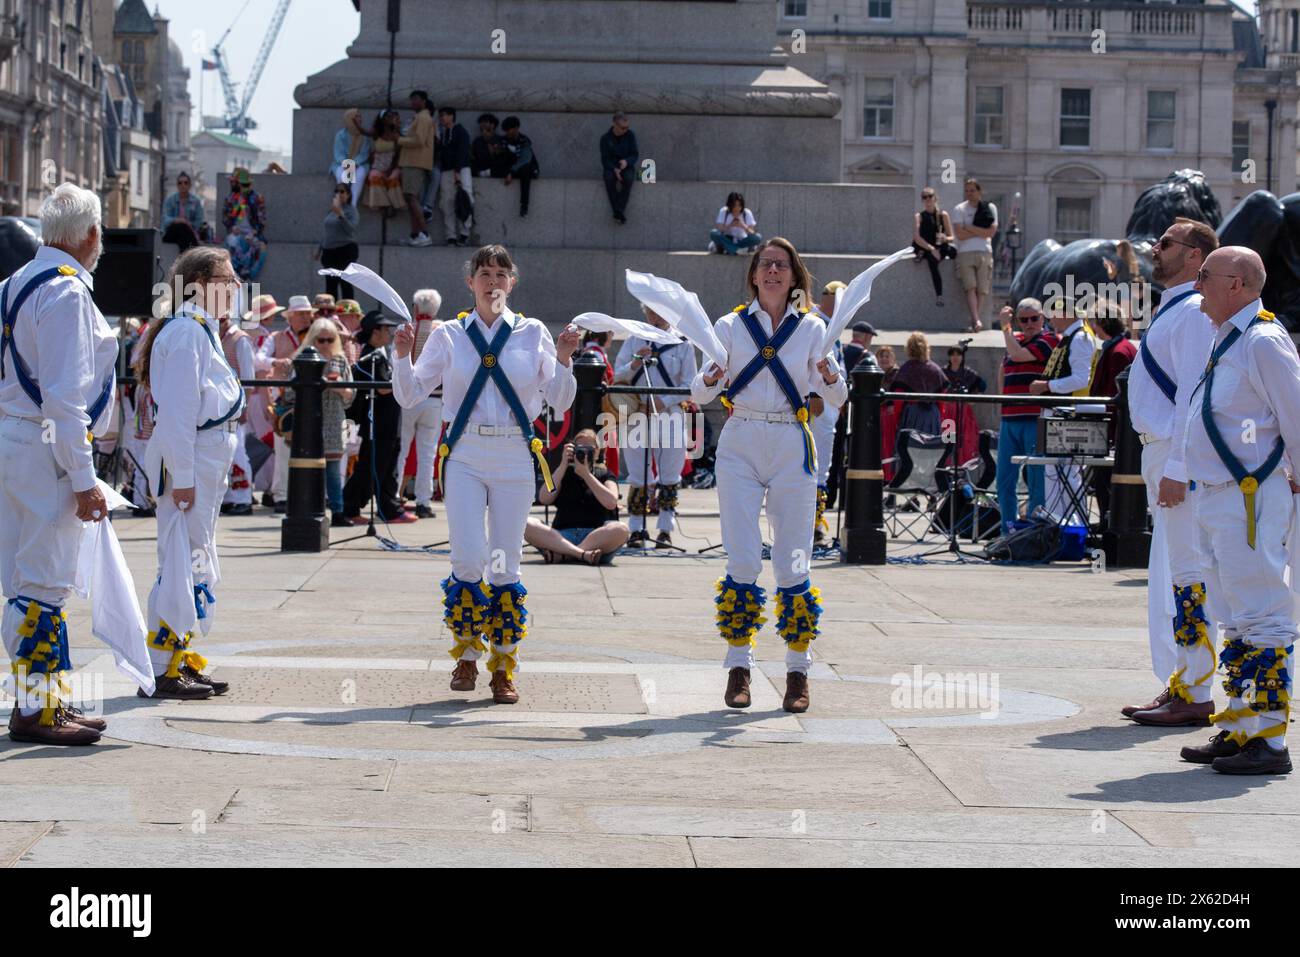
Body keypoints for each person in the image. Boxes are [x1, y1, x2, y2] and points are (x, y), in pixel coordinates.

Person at [392, 244, 581, 705]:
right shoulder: (448, 334)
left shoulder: (532, 331)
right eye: (484, 273)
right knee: (468, 559)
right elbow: (411, 394)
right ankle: (466, 656)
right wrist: (400, 355)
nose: (492, 282)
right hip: (466, 452)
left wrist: (562, 356)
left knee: (504, 563)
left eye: (501, 274)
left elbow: (562, 399)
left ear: (512, 282)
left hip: (517, 451)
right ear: (470, 281)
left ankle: (503, 664)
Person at [692, 237, 846, 714]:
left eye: (782, 265)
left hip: (790, 442)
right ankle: (739, 665)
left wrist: (829, 375)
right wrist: (713, 377)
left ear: (794, 276)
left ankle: (798, 671)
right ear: (754, 275)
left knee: (793, 560)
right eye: (765, 265)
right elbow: (698, 394)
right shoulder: (729, 325)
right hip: (740, 439)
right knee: (741, 557)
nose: (774, 272)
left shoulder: (813, 328)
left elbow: (837, 399)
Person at [0, 183, 117, 744]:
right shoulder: (68, 294)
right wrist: (85, 478)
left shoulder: (11, 284)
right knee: (44, 583)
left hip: (13, 440)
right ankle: (37, 711)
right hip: (46, 447)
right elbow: (65, 401)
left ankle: (40, 704)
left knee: (25, 580)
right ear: (90, 235)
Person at [1176, 246, 1299, 775]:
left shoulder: (1265, 341)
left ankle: (1269, 741)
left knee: (1263, 614)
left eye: (1205, 275)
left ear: (1238, 284)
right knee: (1235, 616)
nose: (1197, 284)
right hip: (1218, 497)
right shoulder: (1229, 339)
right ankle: (1241, 725)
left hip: (1249, 498)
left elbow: (1295, 416)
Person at [1123, 218, 1222, 727]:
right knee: (1173, 573)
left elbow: (1191, 395)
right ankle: (1182, 682)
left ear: (1193, 256)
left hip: (1172, 454)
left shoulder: (1190, 314)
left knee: (1185, 574)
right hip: (1160, 450)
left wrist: (1178, 467)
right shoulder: (1177, 309)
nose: (1155, 250)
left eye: (1165, 244)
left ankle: (1194, 689)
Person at [137, 246, 244, 701]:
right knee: (180, 560)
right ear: (201, 283)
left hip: (206, 455)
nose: (237, 286)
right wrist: (182, 476)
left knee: (195, 558)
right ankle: (162, 668)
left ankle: (180, 659)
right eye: (228, 278)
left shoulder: (199, 329)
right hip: (193, 456)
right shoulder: (186, 333)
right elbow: (179, 414)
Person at [614, 307, 697, 549]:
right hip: (636, 413)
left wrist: (665, 400)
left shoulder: (683, 344)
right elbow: (617, 376)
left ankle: (665, 529)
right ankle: (636, 528)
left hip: (669, 414)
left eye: (659, 312)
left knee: (670, 474)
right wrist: (634, 363)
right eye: (650, 312)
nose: (655, 317)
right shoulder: (633, 339)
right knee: (638, 476)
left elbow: (689, 382)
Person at [1030, 297, 1100, 525]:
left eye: (1054, 313)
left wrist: (1047, 386)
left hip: (1069, 414)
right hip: (1060, 413)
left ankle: (1074, 526)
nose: (1050, 318)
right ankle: (1059, 524)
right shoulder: (1069, 338)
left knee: (1067, 474)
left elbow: (1081, 379)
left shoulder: (1079, 338)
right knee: (1055, 474)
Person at [279, 319, 355, 525]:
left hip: (333, 419)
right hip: (307, 420)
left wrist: (337, 386)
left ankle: (337, 511)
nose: (325, 344)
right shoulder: (301, 359)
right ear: (312, 339)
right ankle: (309, 508)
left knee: (332, 470)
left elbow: (351, 396)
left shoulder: (340, 361)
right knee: (305, 467)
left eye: (331, 340)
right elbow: (289, 393)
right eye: (321, 340)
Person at [343, 309, 413, 525]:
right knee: (371, 466)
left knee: (387, 466)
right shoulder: (371, 357)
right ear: (375, 332)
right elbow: (382, 388)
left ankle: (388, 507)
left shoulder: (380, 355)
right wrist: (403, 378)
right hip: (378, 423)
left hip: (389, 421)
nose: (390, 333)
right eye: (385, 329)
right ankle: (351, 506)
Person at [525, 429, 630, 564]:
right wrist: (563, 464)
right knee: (526, 523)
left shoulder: (604, 474)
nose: (584, 453)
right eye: (580, 449)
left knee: (621, 529)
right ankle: (582, 554)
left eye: (589, 449)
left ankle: (565, 555)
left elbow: (611, 502)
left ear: (597, 451)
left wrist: (586, 475)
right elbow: (544, 498)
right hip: (562, 537)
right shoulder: (564, 473)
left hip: (596, 538)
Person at [996, 297, 1056, 531]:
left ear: (1043, 318)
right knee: (1004, 481)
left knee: (1036, 480)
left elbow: (1019, 356)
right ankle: (1008, 531)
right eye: (1024, 319)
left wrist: (1005, 327)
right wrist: (1002, 400)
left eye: (1034, 318)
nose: (1030, 323)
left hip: (1034, 418)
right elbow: (1004, 370)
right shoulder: (1015, 341)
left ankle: (1034, 532)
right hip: (1010, 418)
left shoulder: (1049, 340)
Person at [1087, 301, 1137, 536]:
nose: (1092, 327)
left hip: (1113, 431)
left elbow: (1114, 395)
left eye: (1094, 321)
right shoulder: (1119, 348)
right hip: (1112, 429)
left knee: (1104, 483)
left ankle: (1110, 529)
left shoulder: (1118, 352)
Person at [266, 296, 317, 513]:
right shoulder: (276, 337)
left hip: (311, 399)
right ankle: (281, 496)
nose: (307, 318)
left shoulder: (316, 336)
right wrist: (275, 362)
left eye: (308, 314)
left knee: (312, 449)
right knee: (283, 448)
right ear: (292, 317)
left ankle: (310, 494)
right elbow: (258, 358)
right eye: (302, 314)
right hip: (285, 400)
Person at [396, 288, 444, 519]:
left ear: (415, 308)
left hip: (409, 399)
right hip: (434, 399)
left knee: (402, 449)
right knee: (428, 453)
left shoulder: (406, 330)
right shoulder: (441, 332)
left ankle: (395, 495)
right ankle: (423, 502)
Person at [218, 309, 257, 517]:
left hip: (236, 404)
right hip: (223, 407)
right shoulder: (220, 337)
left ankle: (243, 497)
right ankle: (231, 497)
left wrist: (245, 406)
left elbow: (249, 378)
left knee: (239, 452)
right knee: (227, 452)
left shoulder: (240, 340)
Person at [952, 178, 997, 332]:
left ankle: (975, 320)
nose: (969, 194)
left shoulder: (989, 208)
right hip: (965, 252)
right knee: (970, 286)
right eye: (967, 190)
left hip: (985, 251)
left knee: (982, 288)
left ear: (979, 192)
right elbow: (960, 235)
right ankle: (976, 319)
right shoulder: (959, 209)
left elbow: (991, 232)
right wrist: (979, 231)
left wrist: (969, 227)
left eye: (973, 190)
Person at [398, 91, 436, 247]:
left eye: (416, 99)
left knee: (412, 198)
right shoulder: (422, 117)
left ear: (424, 101)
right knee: (410, 198)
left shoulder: (422, 118)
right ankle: (415, 234)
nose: (412, 102)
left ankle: (424, 233)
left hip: (413, 162)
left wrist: (398, 139)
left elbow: (419, 140)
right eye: (411, 99)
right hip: (412, 162)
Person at [891, 332, 946, 436]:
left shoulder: (905, 370)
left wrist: (897, 418)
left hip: (911, 413)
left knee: (910, 448)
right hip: (932, 414)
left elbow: (898, 398)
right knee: (932, 448)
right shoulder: (935, 369)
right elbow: (942, 398)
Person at [911, 186, 956, 306]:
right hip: (926, 246)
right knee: (932, 260)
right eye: (924, 197)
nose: (927, 199)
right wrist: (931, 249)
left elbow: (952, 237)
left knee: (953, 251)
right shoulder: (919, 216)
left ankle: (922, 254)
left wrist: (945, 238)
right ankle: (939, 295)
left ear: (935, 198)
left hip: (940, 245)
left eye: (930, 196)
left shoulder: (943, 215)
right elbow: (917, 237)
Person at [315, 184, 360, 300]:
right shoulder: (331, 211)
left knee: (345, 282)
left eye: (342, 191)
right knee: (330, 283)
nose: (339, 194)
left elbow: (350, 229)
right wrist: (319, 249)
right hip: (329, 251)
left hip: (345, 249)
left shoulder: (351, 211)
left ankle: (347, 311)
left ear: (348, 194)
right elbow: (327, 231)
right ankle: (330, 312)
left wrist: (341, 215)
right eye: (336, 191)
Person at [436, 107, 474, 245]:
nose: (442, 118)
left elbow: (462, 151)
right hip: (446, 171)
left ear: (452, 116)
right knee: (447, 203)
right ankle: (450, 235)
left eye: (444, 115)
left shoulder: (460, 131)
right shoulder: (443, 133)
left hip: (461, 170)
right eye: (440, 116)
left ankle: (464, 233)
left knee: (465, 199)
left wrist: (457, 172)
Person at [222, 168, 267, 281]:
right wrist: (232, 227)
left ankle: (248, 275)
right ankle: (239, 274)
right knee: (234, 243)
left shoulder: (256, 198)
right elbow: (225, 218)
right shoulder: (231, 199)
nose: (245, 187)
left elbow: (262, 220)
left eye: (247, 184)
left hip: (253, 233)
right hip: (236, 233)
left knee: (261, 250)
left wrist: (255, 231)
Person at [600, 112, 638, 224]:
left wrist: (627, 161)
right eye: (623, 127)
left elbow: (634, 154)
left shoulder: (630, 135)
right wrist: (614, 169)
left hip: (626, 166)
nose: (625, 129)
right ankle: (618, 211)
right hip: (611, 167)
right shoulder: (605, 138)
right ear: (615, 125)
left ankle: (618, 211)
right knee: (608, 178)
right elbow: (604, 159)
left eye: (627, 127)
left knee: (629, 178)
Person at [364, 109, 406, 213]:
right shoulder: (377, 134)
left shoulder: (398, 136)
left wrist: (391, 169)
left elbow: (398, 155)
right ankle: (383, 204)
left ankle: (396, 204)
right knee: (373, 176)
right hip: (376, 164)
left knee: (392, 178)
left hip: (395, 165)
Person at [330, 108, 373, 208]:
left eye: (360, 116)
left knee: (359, 176)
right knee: (342, 177)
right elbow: (338, 154)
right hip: (341, 164)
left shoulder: (364, 136)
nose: (360, 119)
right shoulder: (341, 135)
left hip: (360, 164)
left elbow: (364, 153)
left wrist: (355, 163)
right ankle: (341, 205)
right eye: (357, 116)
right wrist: (348, 164)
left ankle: (352, 205)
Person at [500, 116, 538, 218]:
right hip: (510, 169)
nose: (507, 132)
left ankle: (524, 206)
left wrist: (511, 172)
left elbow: (525, 159)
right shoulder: (503, 140)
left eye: (509, 130)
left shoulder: (524, 140)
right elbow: (502, 159)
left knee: (525, 169)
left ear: (516, 128)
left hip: (524, 169)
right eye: (506, 130)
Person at [161, 172, 208, 252]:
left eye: (185, 183)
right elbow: (165, 220)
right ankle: (191, 253)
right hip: (171, 233)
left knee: (183, 229)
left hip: (188, 233)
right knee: (180, 226)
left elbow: (199, 222)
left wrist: (187, 224)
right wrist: (177, 220)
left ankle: (184, 254)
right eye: (180, 183)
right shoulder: (170, 200)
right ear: (177, 185)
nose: (183, 185)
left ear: (189, 185)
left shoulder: (196, 202)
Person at [470, 113, 508, 178]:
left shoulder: (500, 139)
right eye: (481, 122)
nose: (482, 124)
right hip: (480, 167)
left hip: (494, 168)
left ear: (492, 125)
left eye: (485, 122)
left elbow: (502, 157)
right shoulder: (477, 140)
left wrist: (492, 146)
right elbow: (473, 156)